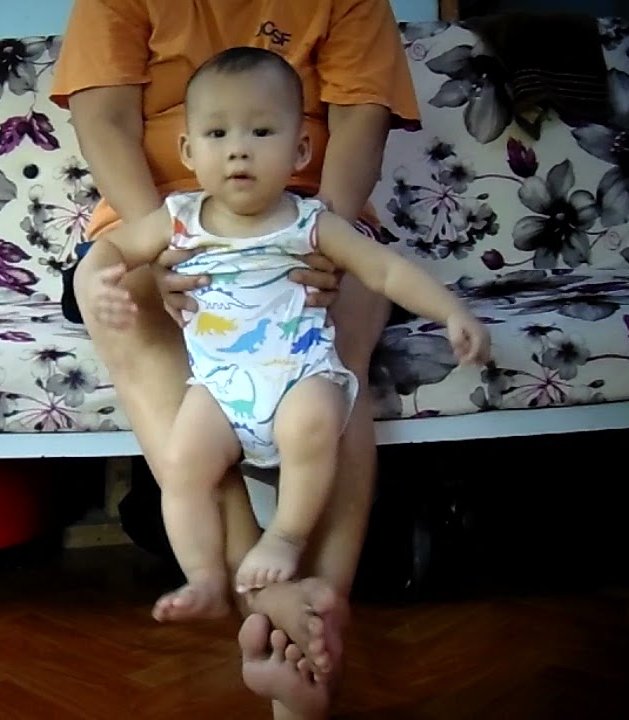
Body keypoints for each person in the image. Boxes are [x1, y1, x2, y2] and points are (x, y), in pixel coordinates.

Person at [50, 1, 424, 717]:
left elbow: (359, 126)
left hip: (311, 221)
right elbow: (103, 120)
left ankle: (314, 636)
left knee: (334, 354)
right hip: (159, 224)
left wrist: (323, 245)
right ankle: (278, 602)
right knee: (142, 329)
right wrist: (164, 247)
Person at [83, 45, 490, 624]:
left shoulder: (310, 223)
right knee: (181, 464)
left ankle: (287, 538)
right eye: (217, 133)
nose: (239, 148)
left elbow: (384, 271)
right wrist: (102, 280)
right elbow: (112, 248)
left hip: (300, 376)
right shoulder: (178, 219)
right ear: (188, 151)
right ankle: (204, 577)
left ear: (301, 150)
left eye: (262, 131)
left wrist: (452, 312)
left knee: (315, 425)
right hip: (220, 387)